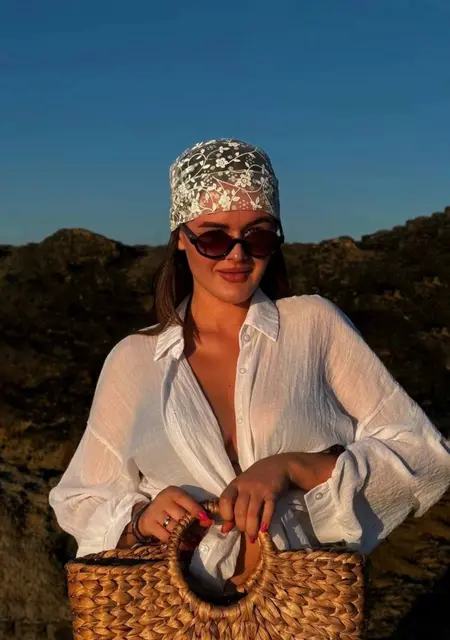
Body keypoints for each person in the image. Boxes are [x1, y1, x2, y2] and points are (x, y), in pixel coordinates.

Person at [49, 138, 450, 593]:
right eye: (214, 237)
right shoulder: (133, 359)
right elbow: (80, 497)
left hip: (302, 606)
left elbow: (424, 455)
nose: (237, 255)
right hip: (172, 612)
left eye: (257, 236)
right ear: (181, 239)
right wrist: (140, 519)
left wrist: (293, 468)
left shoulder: (315, 325)